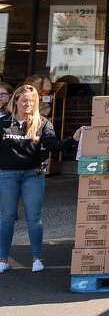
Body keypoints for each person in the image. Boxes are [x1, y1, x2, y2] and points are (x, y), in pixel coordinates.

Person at [1, 84, 81, 273]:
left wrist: (73, 140)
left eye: (32, 101)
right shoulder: (3, 123)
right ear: (16, 101)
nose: (28, 104)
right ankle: (3, 259)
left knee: (34, 218)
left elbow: (53, 145)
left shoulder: (43, 123)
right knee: (6, 218)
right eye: (24, 100)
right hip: (6, 175)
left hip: (33, 175)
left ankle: (37, 258)